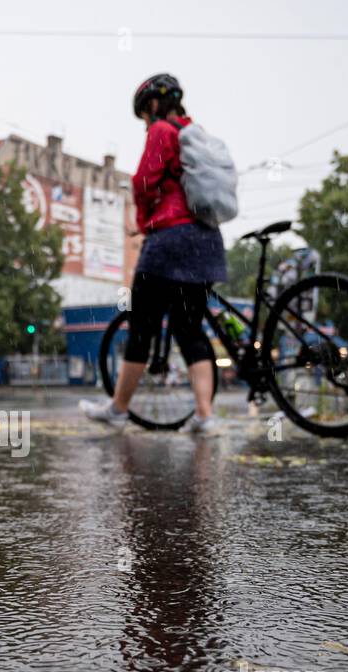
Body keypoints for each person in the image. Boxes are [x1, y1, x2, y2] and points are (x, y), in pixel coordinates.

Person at [80, 73, 227, 433]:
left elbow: (144, 180)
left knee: (142, 325)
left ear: (154, 106)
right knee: (189, 330)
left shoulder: (162, 131)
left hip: (169, 241)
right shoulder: (197, 136)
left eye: (145, 113)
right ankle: (205, 415)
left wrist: (145, 221)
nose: (146, 122)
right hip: (205, 241)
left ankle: (118, 408)